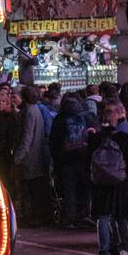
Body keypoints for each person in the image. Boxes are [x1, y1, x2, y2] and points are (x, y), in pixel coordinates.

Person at [87, 102, 128, 255]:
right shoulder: (123, 138)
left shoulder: (95, 138)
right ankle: (124, 249)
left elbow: (88, 159)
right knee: (121, 216)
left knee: (103, 217)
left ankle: (104, 253)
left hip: (100, 183)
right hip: (119, 182)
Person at [50, 94, 90, 227]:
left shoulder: (59, 119)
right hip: (83, 158)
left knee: (69, 190)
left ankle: (70, 217)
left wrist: (56, 158)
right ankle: (83, 214)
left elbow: (54, 141)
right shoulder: (84, 118)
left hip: (66, 160)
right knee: (83, 188)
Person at [14, 86, 47, 225]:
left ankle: (32, 217)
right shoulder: (37, 110)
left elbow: (27, 137)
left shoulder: (28, 112)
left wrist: (19, 156)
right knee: (36, 190)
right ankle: (37, 216)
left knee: (29, 190)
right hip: (38, 154)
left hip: (30, 158)